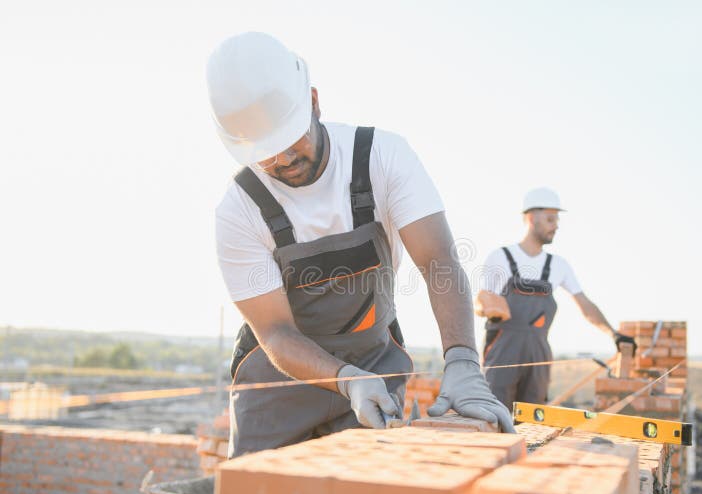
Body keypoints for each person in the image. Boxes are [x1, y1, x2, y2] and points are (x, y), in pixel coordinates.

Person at [208, 32, 513, 458]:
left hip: (373, 366)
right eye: (265, 154)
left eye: (290, 141)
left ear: (313, 101)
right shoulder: (239, 207)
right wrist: (344, 379)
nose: (282, 161)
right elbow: (275, 332)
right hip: (279, 382)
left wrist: (462, 360)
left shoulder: (381, 158)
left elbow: (437, 261)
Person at [476, 187, 636, 409]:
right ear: (531, 217)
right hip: (503, 351)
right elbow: (484, 302)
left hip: (538, 353)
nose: (556, 225)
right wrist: (486, 308)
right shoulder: (500, 258)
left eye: (557, 219)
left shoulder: (558, 266)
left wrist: (614, 334)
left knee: (531, 424)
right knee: (493, 415)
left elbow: (585, 306)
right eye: (551, 219)